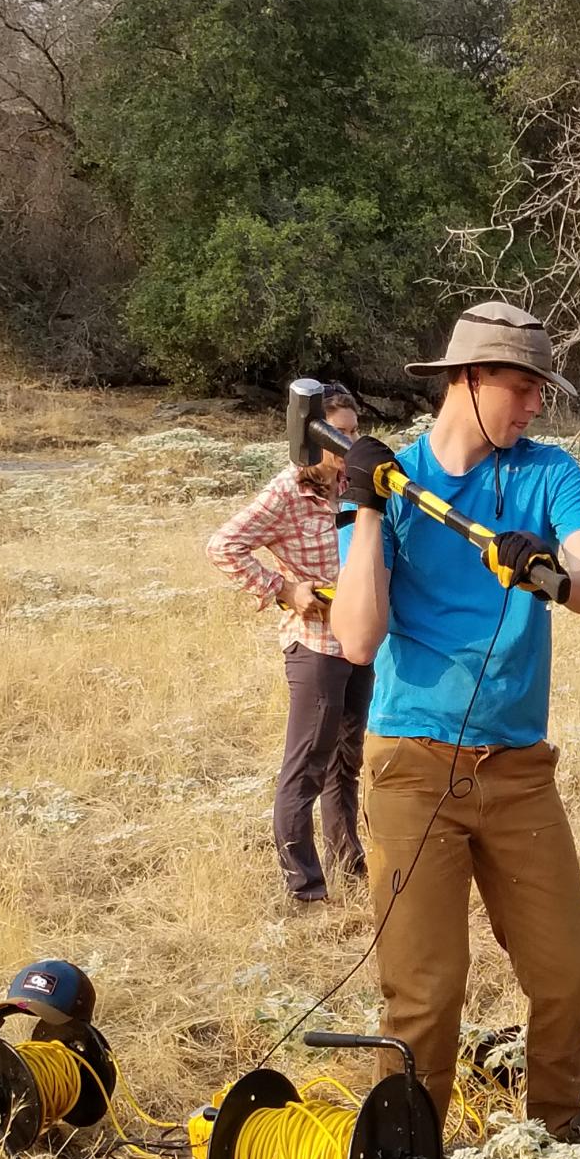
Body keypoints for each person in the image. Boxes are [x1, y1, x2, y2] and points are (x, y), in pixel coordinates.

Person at [330, 301, 580, 1139]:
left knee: (566, 973)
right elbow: (355, 638)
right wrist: (367, 506)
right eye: (523, 386)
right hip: (411, 769)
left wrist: (548, 573)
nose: (535, 405)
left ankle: (560, 1132)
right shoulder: (394, 482)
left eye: (541, 390)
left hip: (520, 770)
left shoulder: (549, 473)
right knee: (426, 991)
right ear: (465, 378)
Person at [206, 384, 373, 904]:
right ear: (310, 437)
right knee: (306, 766)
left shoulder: (358, 487)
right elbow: (223, 545)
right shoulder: (286, 492)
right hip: (315, 646)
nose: (349, 443)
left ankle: (350, 863)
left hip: (359, 642)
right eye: (338, 434)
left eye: (353, 431)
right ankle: (305, 887)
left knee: (347, 761)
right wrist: (283, 589)